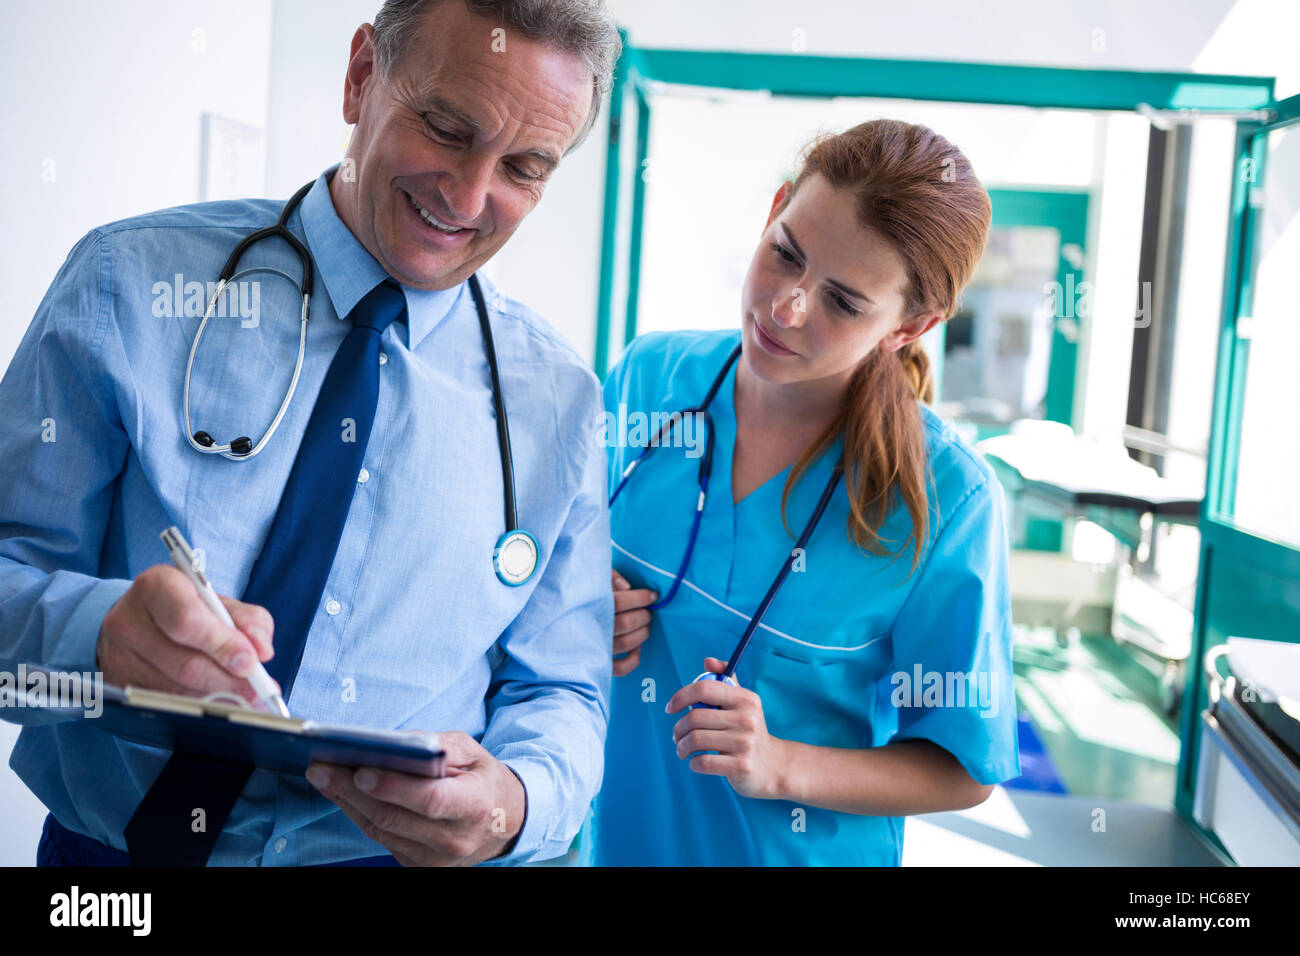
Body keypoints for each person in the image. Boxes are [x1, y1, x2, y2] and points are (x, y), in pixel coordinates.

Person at [0, 0, 620, 866]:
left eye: (523, 168)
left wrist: (516, 803)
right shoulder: (125, 286)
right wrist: (97, 635)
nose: (468, 197)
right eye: (447, 129)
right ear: (362, 75)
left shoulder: (559, 400)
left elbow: (562, 690)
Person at [591, 119, 1021, 866]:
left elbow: (963, 768)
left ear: (911, 326)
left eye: (844, 303)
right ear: (775, 209)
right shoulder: (648, 378)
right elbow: (554, 568)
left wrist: (781, 764)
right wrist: (579, 611)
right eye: (786, 254)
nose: (786, 309)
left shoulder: (948, 498)